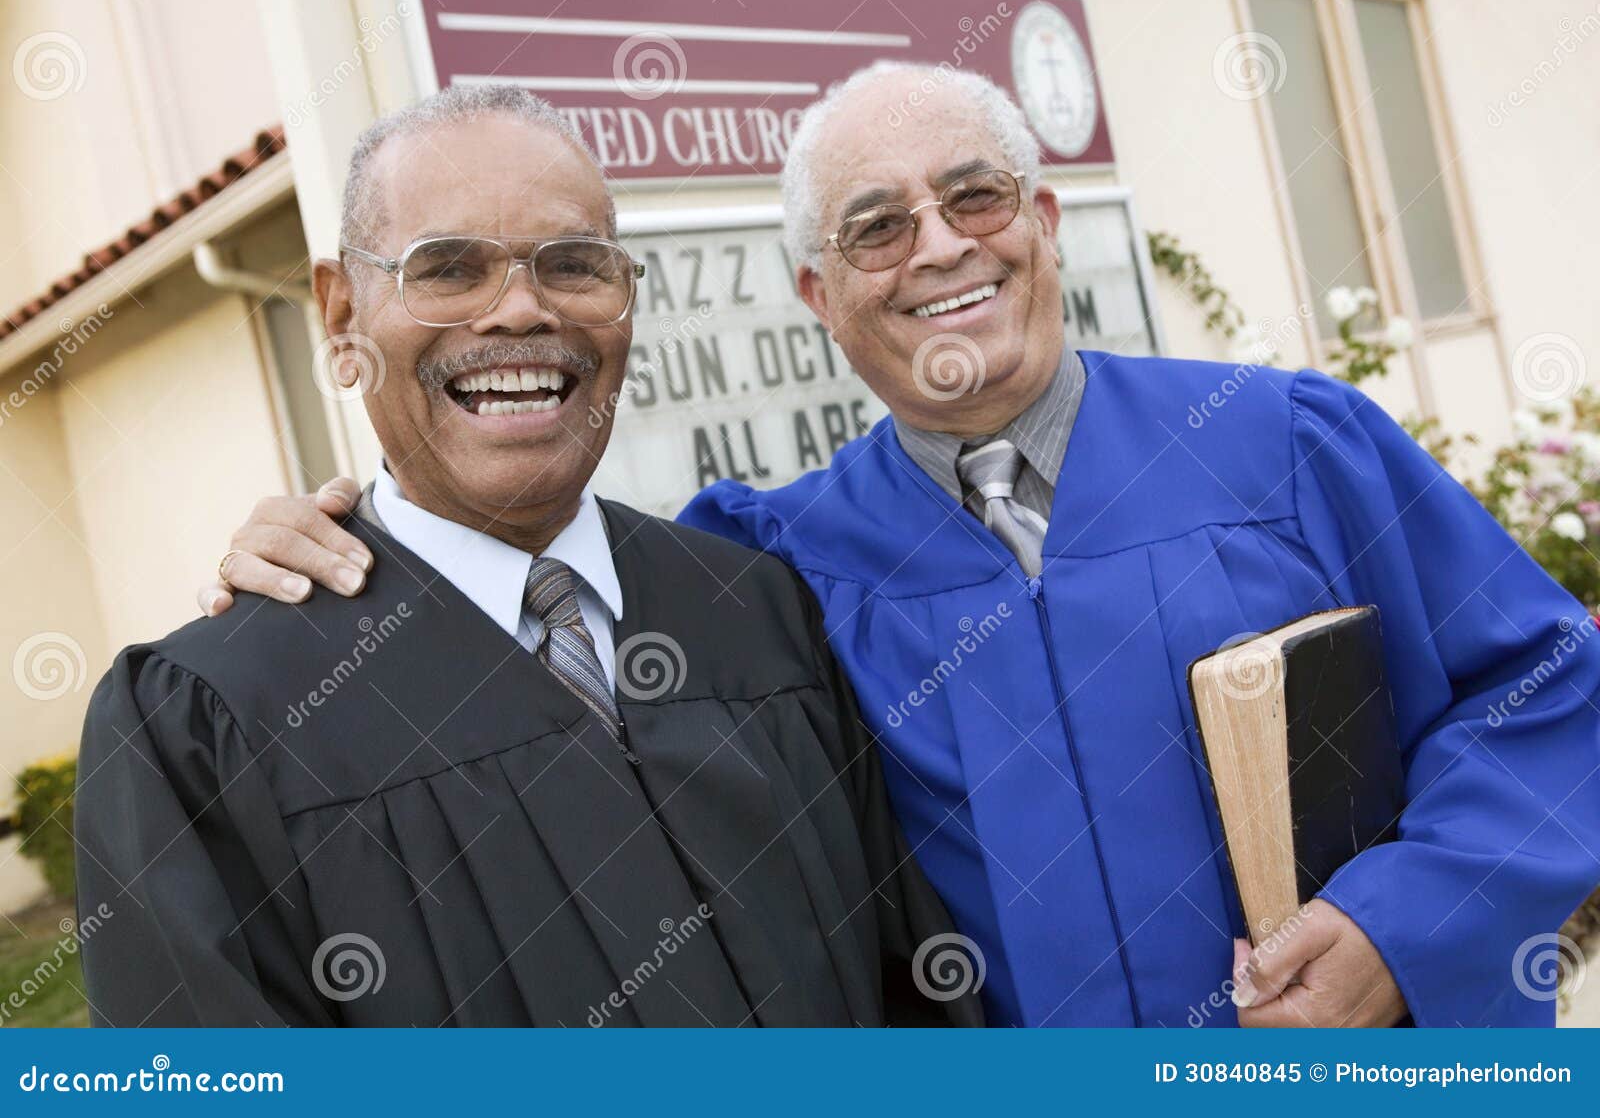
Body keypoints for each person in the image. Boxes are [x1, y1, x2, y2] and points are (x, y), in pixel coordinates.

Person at [199, 64, 1600, 1027]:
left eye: (976, 196)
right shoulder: (766, 567)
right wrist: (338, 541)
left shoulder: (1291, 443)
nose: (938, 246)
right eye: (875, 228)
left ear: (1044, 223)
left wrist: (1403, 930)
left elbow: (1543, 685)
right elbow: (520, 603)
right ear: (818, 292)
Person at [74, 84, 981, 1028]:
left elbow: (911, 986)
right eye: (450, 269)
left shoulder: (754, 608)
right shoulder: (212, 724)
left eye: (574, 265)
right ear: (342, 315)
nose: (519, 312)